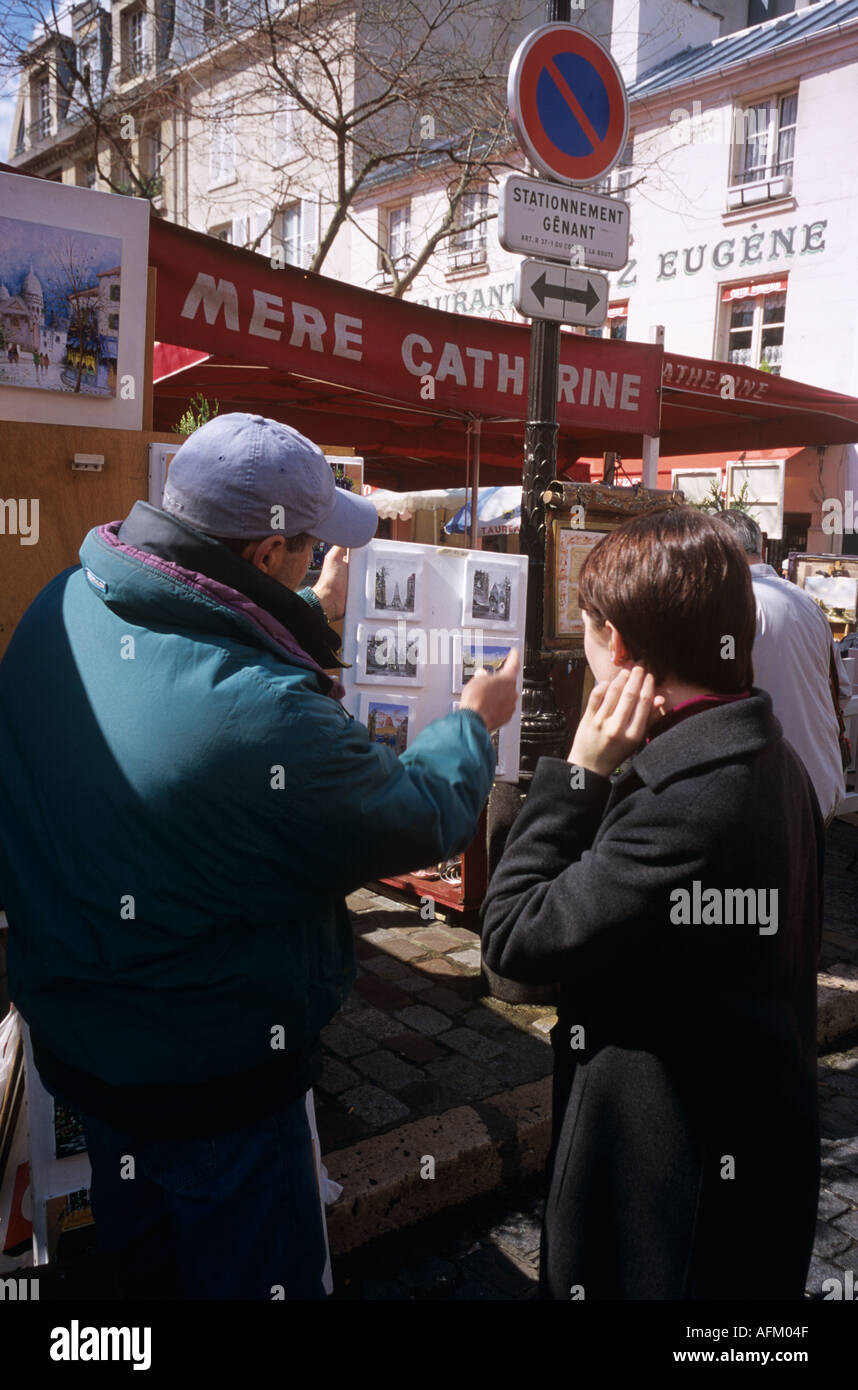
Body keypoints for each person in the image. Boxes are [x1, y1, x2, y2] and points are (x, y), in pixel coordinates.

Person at [0, 412, 519, 1300]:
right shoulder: (264, 714)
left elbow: (187, 690)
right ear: (269, 552)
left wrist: (305, 621)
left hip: (90, 1051)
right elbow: (417, 814)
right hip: (218, 1084)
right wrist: (473, 721)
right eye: (311, 546)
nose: (322, 559)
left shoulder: (61, 605)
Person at [481, 507, 822, 1300]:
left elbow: (513, 938)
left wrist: (578, 771)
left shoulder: (687, 800)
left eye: (592, 633)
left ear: (622, 650)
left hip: (667, 1204)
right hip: (743, 1169)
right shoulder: (770, 754)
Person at [716, 509, 849, 825]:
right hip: (822, 784)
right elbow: (841, 691)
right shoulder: (805, 601)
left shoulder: (735, 605)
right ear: (759, 550)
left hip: (772, 796)